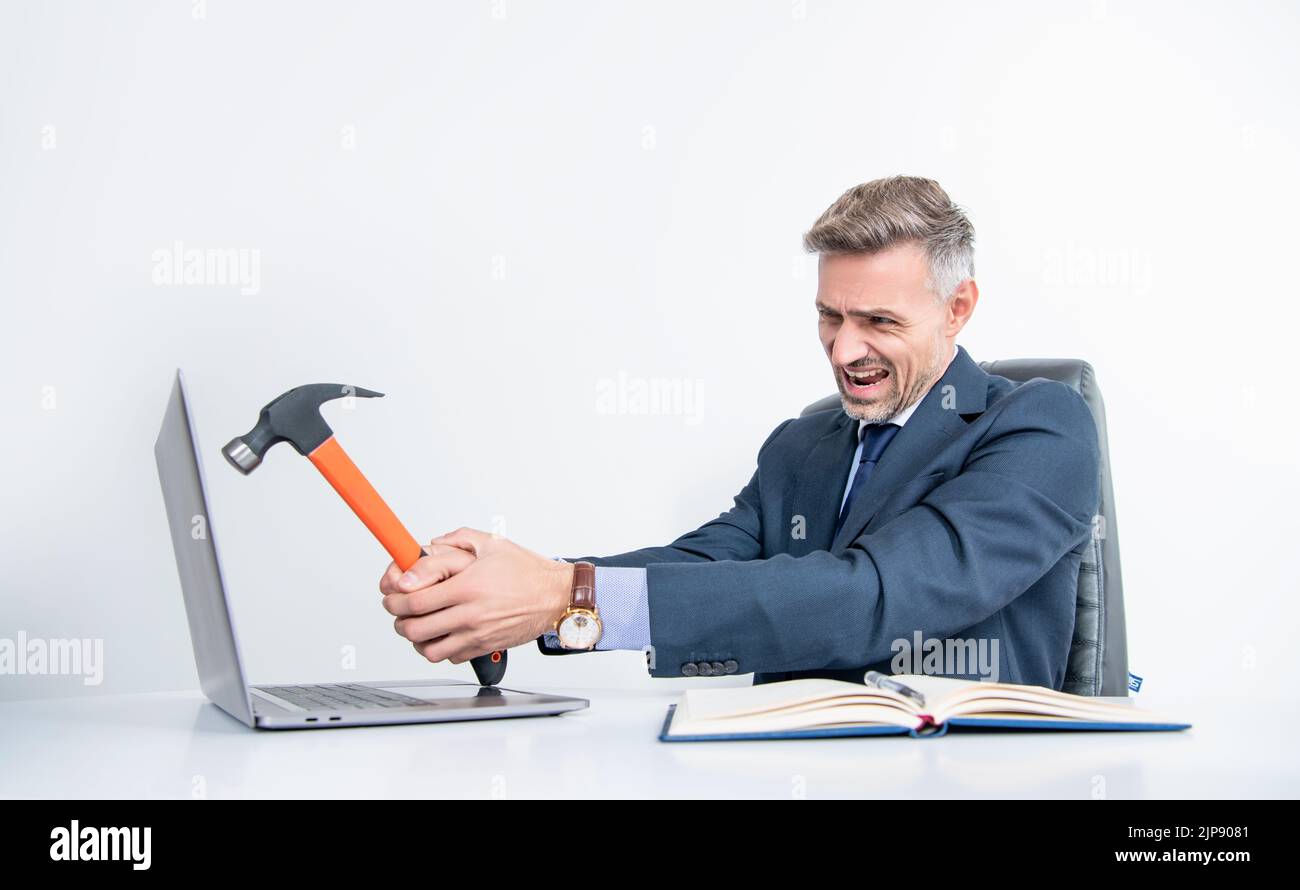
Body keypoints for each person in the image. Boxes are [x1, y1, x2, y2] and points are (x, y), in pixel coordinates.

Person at [378, 175, 1100, 689]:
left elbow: (876, 597)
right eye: (830, 316)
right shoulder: (802, 444)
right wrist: (522, 587)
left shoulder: (1039, 427)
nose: (844, 352)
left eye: (879, 322)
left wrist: (570, 594)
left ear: (958, 307)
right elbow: (704, 562)